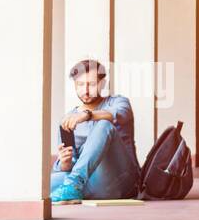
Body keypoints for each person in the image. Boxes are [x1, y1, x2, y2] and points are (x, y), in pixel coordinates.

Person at [50, 59, 141, 204]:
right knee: (40, 184)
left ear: (102, 83)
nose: (85, 91)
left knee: (104, 124)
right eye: (80, 84)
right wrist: (65, 163)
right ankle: (73, 188)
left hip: (121, 181)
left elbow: (119, 115)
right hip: (90, 182)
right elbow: (69, 164)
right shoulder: (69, 119)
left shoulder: (119, 102)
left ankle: (73, 185)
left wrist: (87, 115)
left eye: (91, 84)